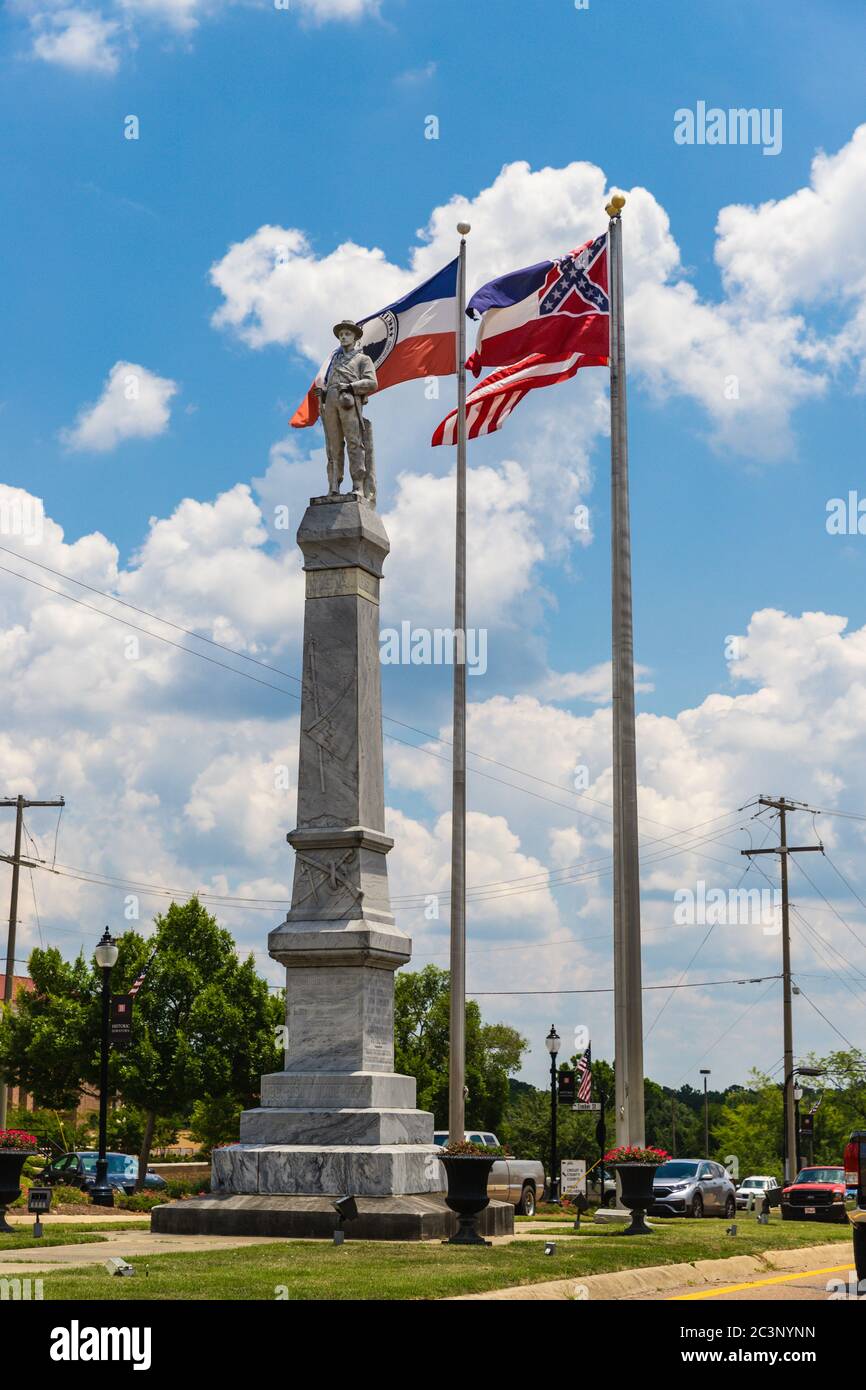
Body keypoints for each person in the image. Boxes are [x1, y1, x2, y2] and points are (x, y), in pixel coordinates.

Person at [318, 320, 377, 501]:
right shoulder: (335, 360)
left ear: (354, 337)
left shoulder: (362, 359)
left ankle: (357, 486)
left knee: (354, 443)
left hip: (349, 400)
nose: (343, 337)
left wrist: (351, 386)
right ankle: (333, 485)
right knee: (333, 446)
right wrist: (324, 392)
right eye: (341, 334)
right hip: (331, 400)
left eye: (347, 334)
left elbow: (372, 383)